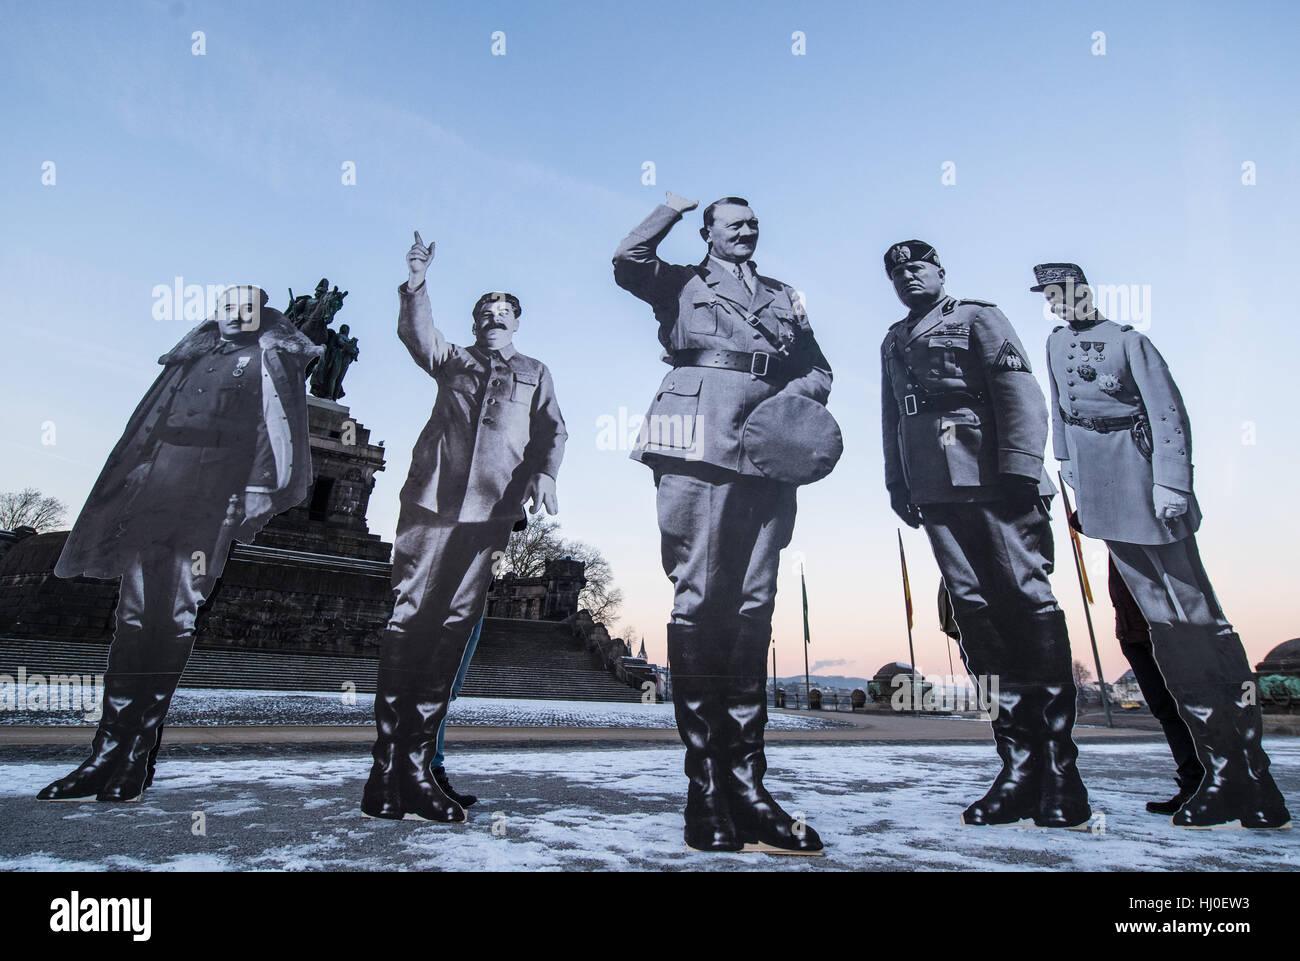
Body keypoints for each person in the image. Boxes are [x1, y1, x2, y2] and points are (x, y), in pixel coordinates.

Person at [613, 192, 838, 853]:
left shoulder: (784, 294)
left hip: (769, 448)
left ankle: (748, 786)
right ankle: (706, 786)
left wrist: (789, 403)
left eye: (753, 222)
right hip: (694, 435)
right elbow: (627, 260)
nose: (747, 228)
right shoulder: (680, 281)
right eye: (732, 222)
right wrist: (668, 209)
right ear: (708, 232)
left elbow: (819, 367)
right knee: (704, 600)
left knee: (753, 606)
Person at [39, 286, 318, 802]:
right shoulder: (193, 354)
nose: (235, 316)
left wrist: (258, 487)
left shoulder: (270, 357)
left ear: (262, 316)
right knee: (134, 615)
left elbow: (278, 425)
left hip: (213, 492)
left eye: (246, 309)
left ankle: (136, 756)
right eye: (227, 307)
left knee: (176, 615)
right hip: (159, 488)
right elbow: (148, 423)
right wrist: (137, 472)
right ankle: (104, 753)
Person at [1037, 262, 1290, 829]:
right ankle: (1218, 772)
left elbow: (1168, 412)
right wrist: (1069, 468)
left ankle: (1250, 775)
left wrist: (1173, 481)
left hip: (1143, 475)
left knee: (1198, 620)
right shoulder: (1054, 346)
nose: (1058, 304)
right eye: (1050, 296)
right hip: (1100, 486)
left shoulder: (1131, 342)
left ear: (1085, 293)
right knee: (1163, 629)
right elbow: (1060, 410)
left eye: (1065, 293)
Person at [879, 241, 1089, 828]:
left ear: (941, 271)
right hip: (935, 485)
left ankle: (1059, 773)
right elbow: (892, 414)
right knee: (973, 611)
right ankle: (1018, 766)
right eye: (897, 271)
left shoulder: (978, 316)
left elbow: (1018, 390)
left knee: (1025, 601)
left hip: (994, 475)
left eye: (917, 265)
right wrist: (900, 484)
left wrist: (1022, 464)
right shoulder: (894, 339)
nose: (908, 276)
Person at [362, 233, 566, 822]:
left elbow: (553, 430)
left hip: (492, 509)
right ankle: (385, 769)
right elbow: (417, 337)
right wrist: (417, 282)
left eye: (504, 312)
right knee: (408, 619)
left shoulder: (535, 371)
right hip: (432, 501)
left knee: (452, 627)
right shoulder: (453, 358)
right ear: (475, 323)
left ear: (518, 324)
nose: (494, 318)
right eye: (485, 312)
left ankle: (417, 769)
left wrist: (544, 475)